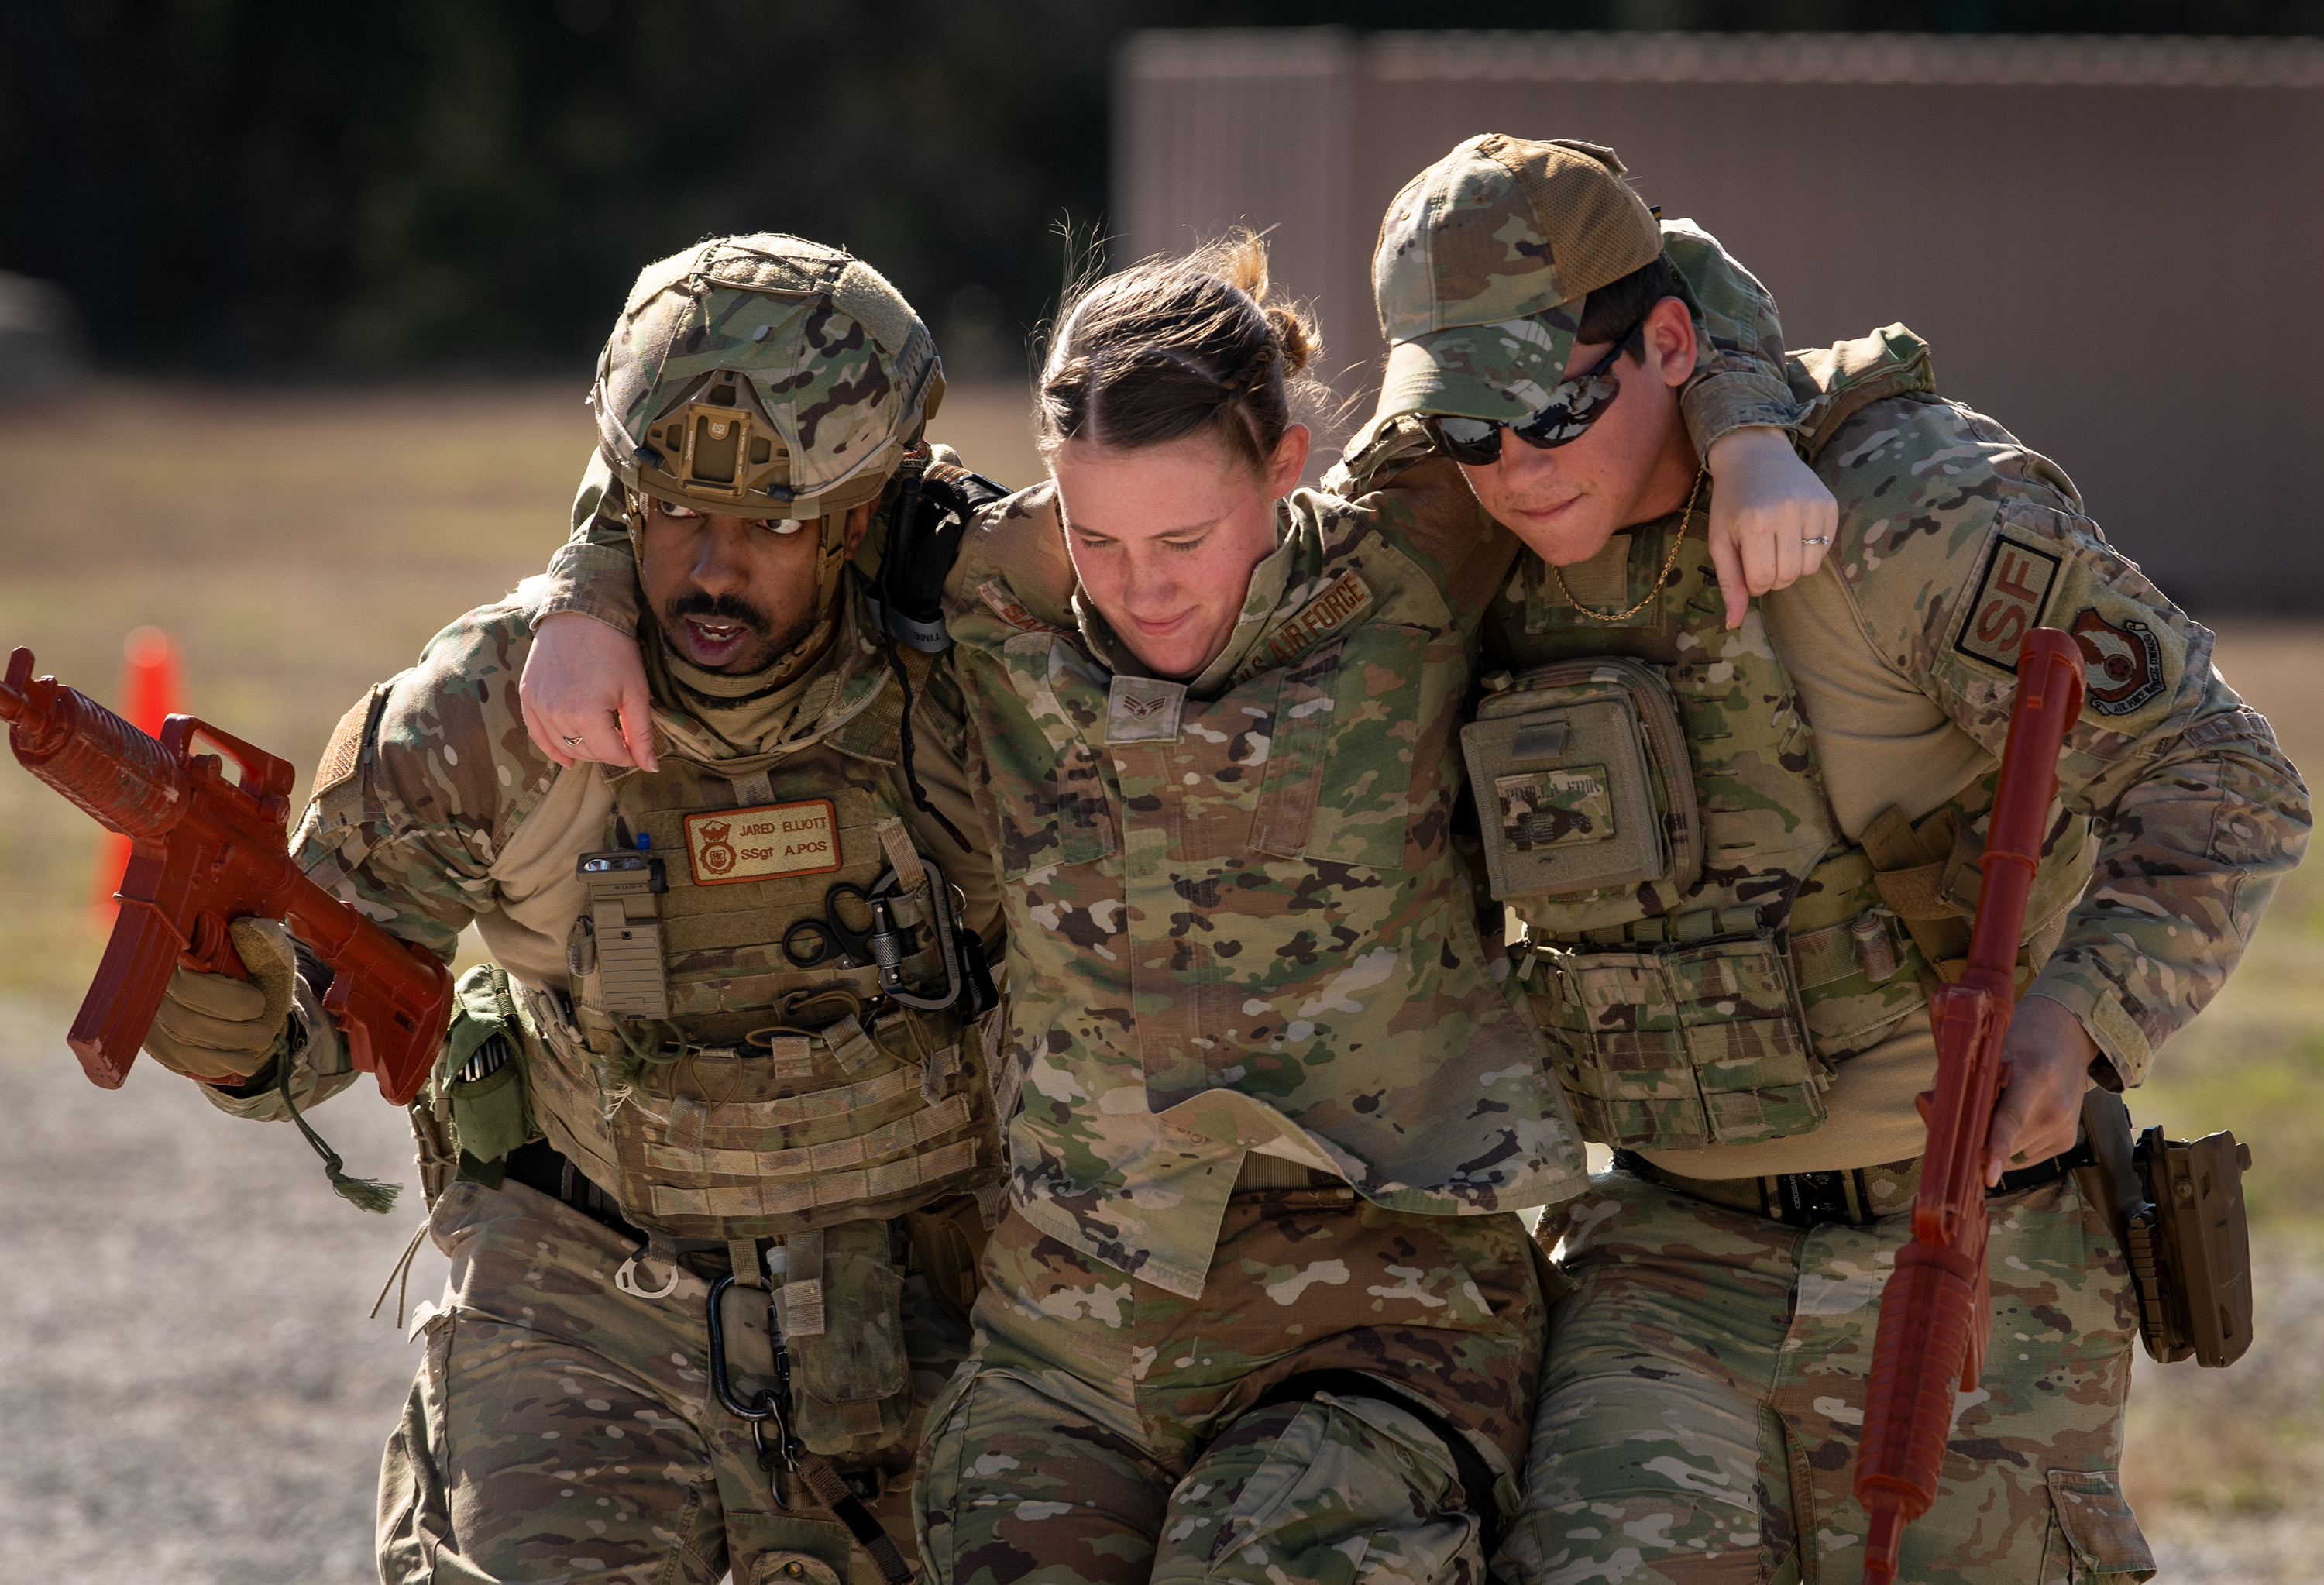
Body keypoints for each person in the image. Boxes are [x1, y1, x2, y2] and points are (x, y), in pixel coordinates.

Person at [520, 208, 1834, 1581]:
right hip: (1075, 1330)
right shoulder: (985, 582)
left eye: (1186, 538)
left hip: (1378, 1309)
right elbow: (719, 435)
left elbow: (1652, 261)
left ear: (1284, 462)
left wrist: (1746, 429)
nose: (1141, 590)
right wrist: (588, 588)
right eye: (1096, 537)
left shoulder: (1409, 550)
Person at [1355, 134, 2314, 1583]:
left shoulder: (1904, 510)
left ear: (1666, 344)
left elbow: (2224, 778)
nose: (1508, 470)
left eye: (1542, 412)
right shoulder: (1468, 542)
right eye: (1462, 429)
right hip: (1661, 1255)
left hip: (1966, 1247)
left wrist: (2084, 1020)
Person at [139, 232, 1010, 1585]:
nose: (712, 569)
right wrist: (238, 1016)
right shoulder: (495, 710)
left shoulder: (980, 688)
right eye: (674, 512)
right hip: (592, 1298)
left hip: (924, 1311)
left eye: (772, 526)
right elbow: (320, 998)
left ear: (856, 515)